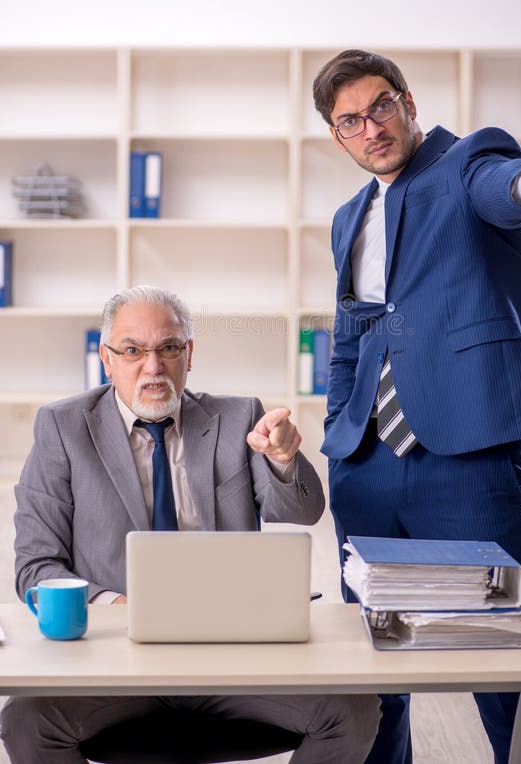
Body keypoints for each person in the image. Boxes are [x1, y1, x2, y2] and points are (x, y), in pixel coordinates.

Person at [311, 49, 521, 764]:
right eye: (350, 121)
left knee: (501, 670)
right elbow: (354, 335)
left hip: (468, 458)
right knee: (372, 681)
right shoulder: (348, 218)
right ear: (337, 136)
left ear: (407, 103)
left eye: (381, 106)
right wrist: (337, 431)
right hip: (365, 464)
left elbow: (507, 185)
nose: (371, 128)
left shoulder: (467, 162)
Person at [0, 284, 381, 764]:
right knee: (25, 721)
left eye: (169, 348)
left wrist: (283, 459)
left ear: (189, 354)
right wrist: (120, 606)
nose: (153, 367)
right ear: (106, 358)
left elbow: (303, 512)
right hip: (112, 660)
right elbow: (36, 568)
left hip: (231, 658)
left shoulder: (238, 418)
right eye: (133, 351)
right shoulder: (62, 428)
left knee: (352, 711)